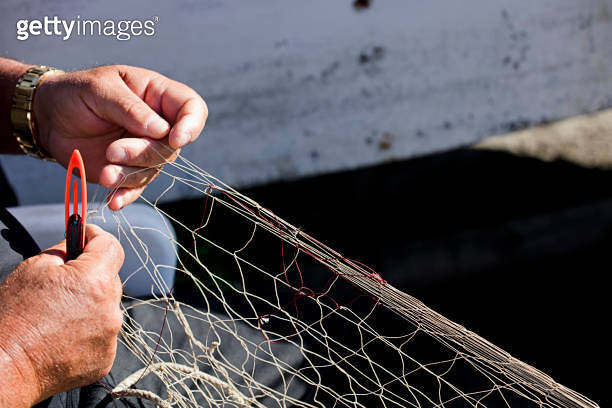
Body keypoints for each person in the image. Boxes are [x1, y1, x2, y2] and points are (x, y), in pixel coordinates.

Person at [0, 57, 207, 407]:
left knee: (287, 368)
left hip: (58, 310)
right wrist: (20, 358)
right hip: (43, 359)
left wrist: (35, 105)